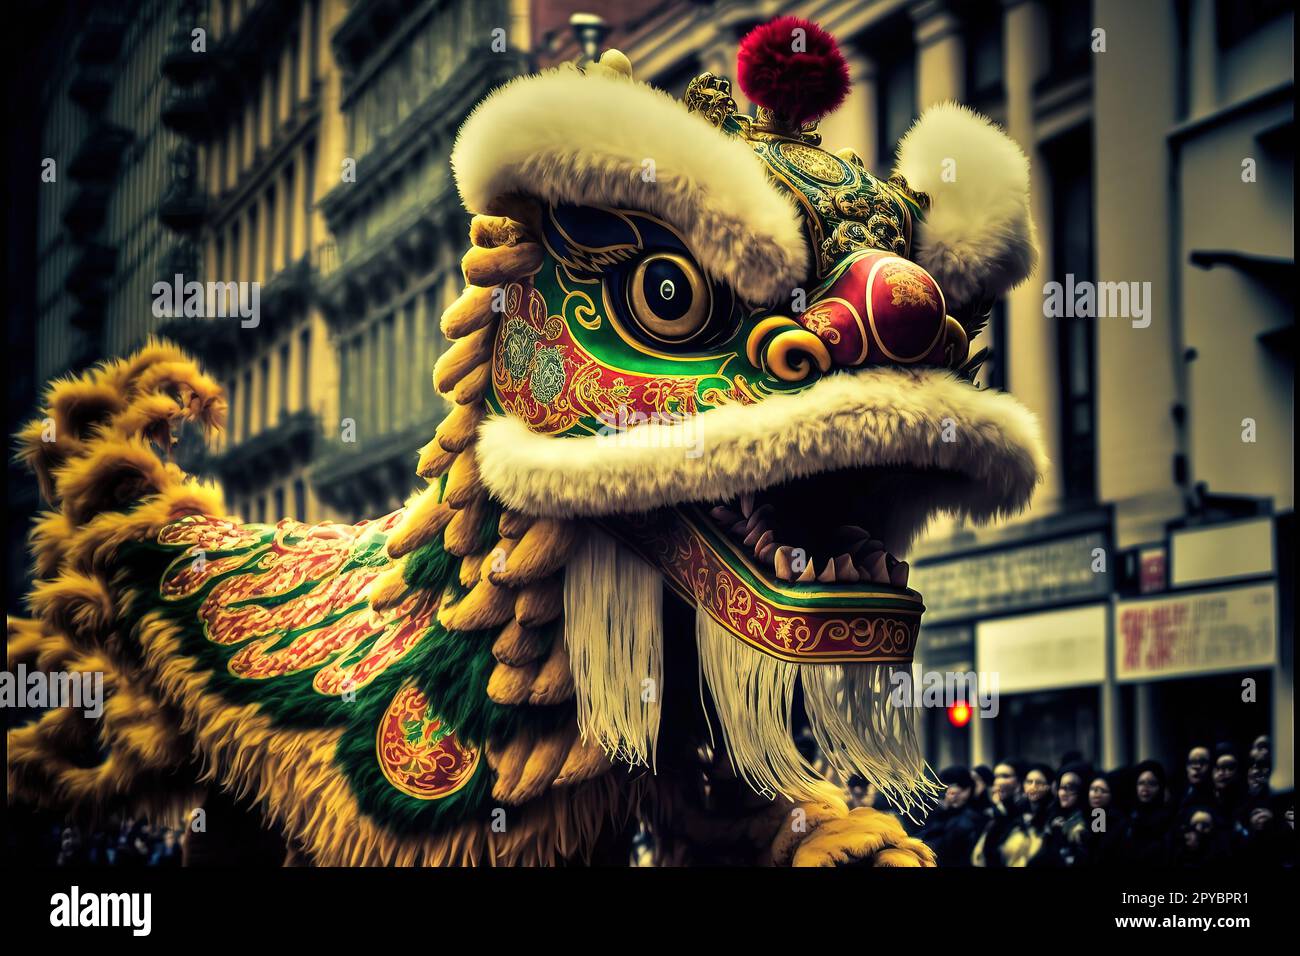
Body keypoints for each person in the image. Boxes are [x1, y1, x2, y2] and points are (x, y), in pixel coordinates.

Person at [917, 767, 985, 867]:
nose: (950, 793)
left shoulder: (972, 817)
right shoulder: (941, 813)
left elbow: (945, 847)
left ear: (968, 789)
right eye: (946, 787)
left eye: (955, 787)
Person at [972, 760, 1024, 867]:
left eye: (1005, 776)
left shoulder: (1024, 813)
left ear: (1020, 781)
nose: (998, 782)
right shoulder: (993, 813)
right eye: (996, 777)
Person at [1124, 760, 1173, 866]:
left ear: (1161, 787)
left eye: (1151, 783)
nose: (1145, 788)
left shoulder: (1168, 820)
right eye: (1141, 783)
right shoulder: (1130, 819)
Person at [1044, 762, 1091, 866]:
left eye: (1071, 788)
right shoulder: (1053, 815)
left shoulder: (1096, 816)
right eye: (1061, 787)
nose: (1064, 793)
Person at [1083, 771, 1125, 866]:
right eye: (1093, 789)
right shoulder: (1084, 817)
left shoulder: (1117, 821)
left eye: (1103, 791)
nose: (1096, 795)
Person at [1211, 742, 1246, 819]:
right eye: (1217, 768)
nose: (1221, 773)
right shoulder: (1203, 800)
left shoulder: (1246, 803)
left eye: (1229, 768)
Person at [1177, 745, 1213, 811]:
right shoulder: (1177, 792)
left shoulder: (1215, 797)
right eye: (1192, 762)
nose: (1196, 766)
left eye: (1202, 762)